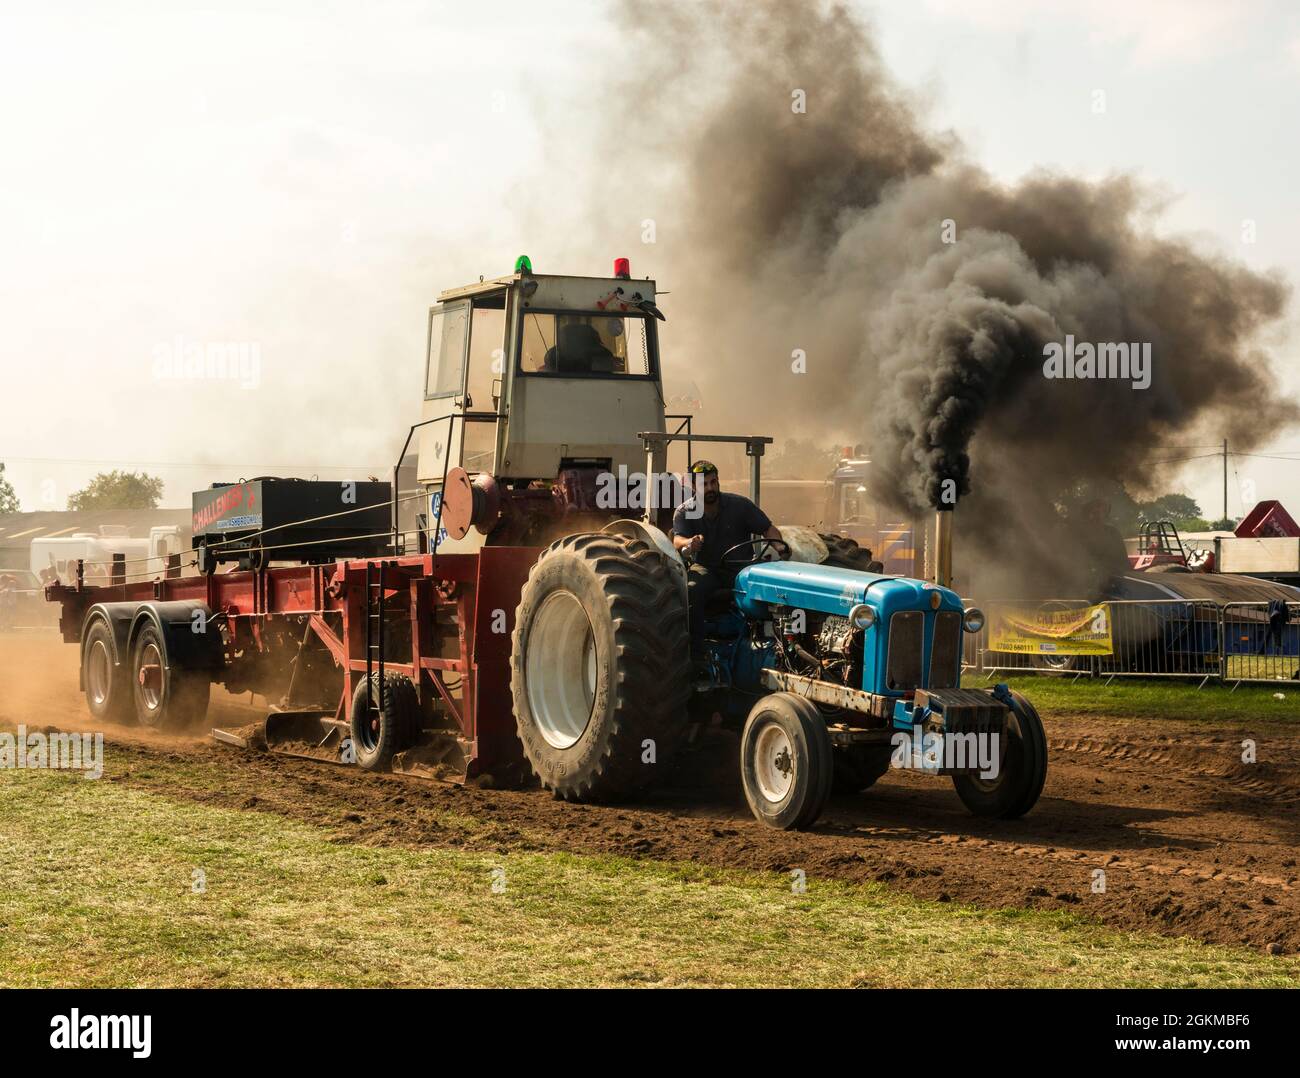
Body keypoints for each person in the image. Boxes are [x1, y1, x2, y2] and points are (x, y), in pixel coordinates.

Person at [671, 460, 787, 656]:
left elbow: (768, 528)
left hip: (742, 569)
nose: (710, 488)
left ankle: (781, 647)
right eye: (704, 484)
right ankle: (696, 655)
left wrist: (780, 547)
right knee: (691, 590)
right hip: (708, 569)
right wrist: (689, 542)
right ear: (693, 486)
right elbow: (677, 539)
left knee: (779, 587)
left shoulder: (739, 505)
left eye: (713, 482)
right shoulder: (684, 512)